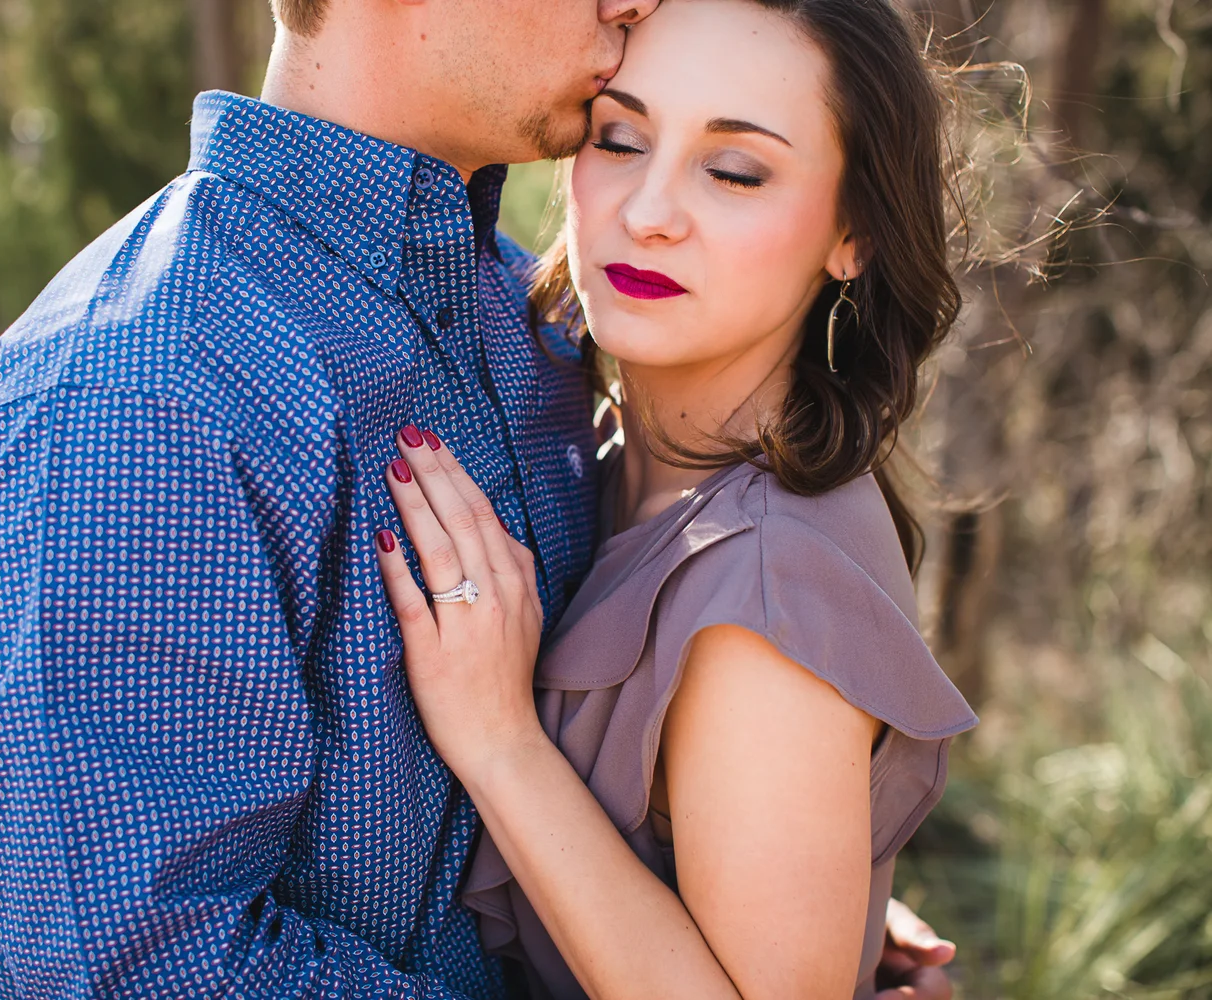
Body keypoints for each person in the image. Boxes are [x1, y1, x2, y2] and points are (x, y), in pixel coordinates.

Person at [0, 0, 960, 995]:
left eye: (733, 169)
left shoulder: (535, 330)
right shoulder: (144, 389)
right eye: (622, 142)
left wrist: (785, 893)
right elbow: (137, 976)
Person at [372, 0, 979, 998]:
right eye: (621, 139)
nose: (650, 208)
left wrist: (502, 744)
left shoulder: (764, 586)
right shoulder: (606, 455)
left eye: (735, 171)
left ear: (854, 233)